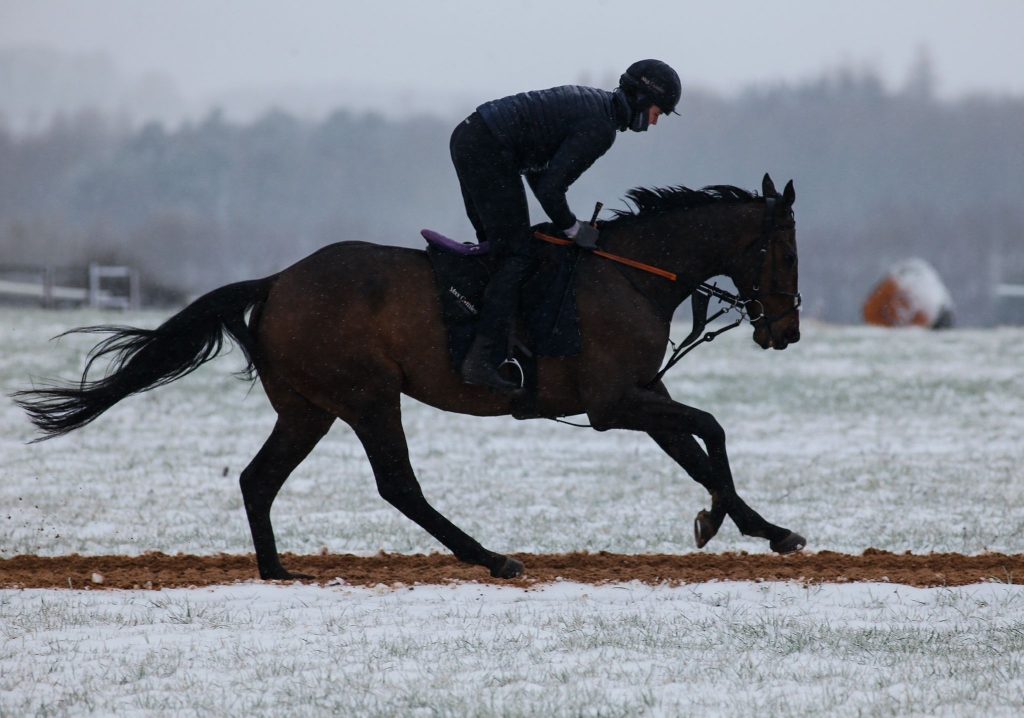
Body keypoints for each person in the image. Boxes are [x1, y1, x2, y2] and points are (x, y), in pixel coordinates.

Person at [450, 59, 682, 393]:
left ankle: (478, 330)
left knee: (502, 250)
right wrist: (574, 229)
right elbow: (549, 187)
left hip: (475, 136)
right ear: (644, 100)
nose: (656, 122)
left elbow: (538, 169)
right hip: (486, 146)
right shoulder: (601, 128)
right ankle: (481, 359)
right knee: (517, 254)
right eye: (659, 112)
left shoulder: (599, 109)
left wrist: (567, 224)